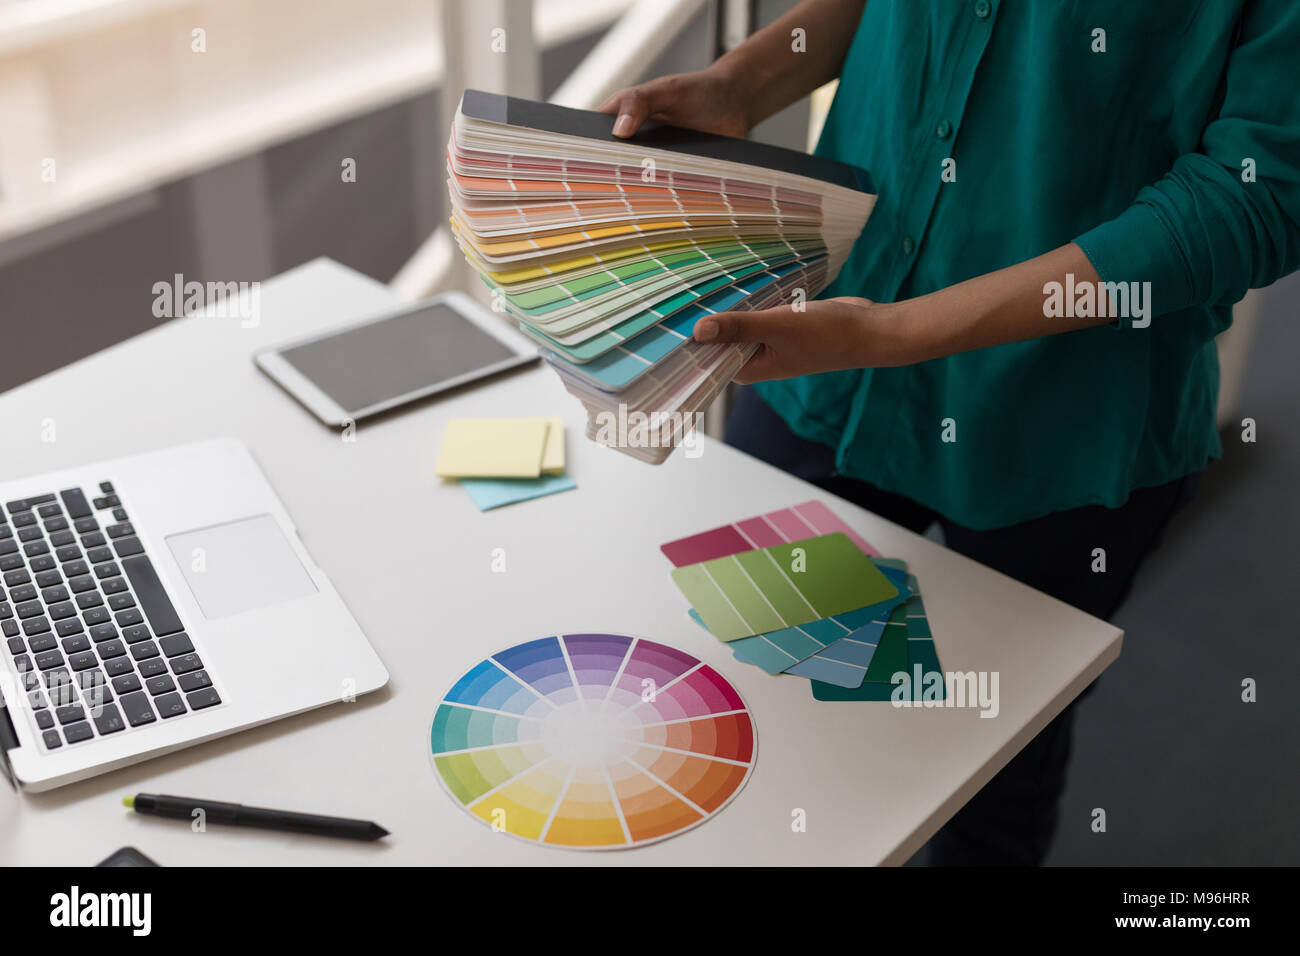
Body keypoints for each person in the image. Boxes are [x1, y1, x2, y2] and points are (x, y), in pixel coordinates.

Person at [600, 0, 1300, 865]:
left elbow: (1256, 194)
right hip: (820, 362)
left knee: (987, 767)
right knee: (738, 694)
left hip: (1064, 423)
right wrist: (740, 84)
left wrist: (894, 333)